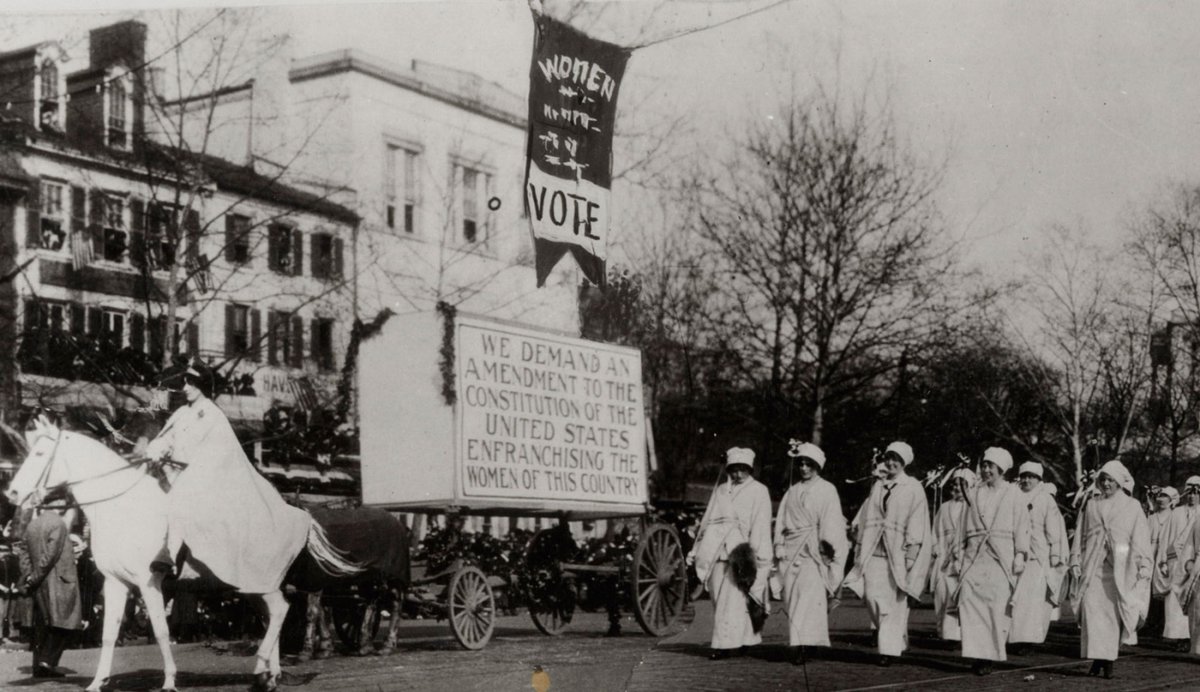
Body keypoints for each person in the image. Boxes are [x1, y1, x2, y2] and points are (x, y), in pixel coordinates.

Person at [145, 361, 309, 592]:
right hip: (173, 476)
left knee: (181, 498)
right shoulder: (181, 413)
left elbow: (219, 455)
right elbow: (166, 438)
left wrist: (191, 474)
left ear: (202, 386)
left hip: (204, 481)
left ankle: (169, 554)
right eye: (185, 383)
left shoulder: (213, 415)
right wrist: (156, 449)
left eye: (192, 384)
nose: (186, 388)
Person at [845, 441, 931, 666]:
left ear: (904, 463)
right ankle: (895, 639)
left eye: (897, 459)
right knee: (872, 598)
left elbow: (917, 520)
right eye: (889, 458)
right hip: (874, 552)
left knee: (894, 602)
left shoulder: (913, 487)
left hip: (897, 553)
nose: (891, 463)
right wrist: (860, 545)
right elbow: (867, 518)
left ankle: (888, 650)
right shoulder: (878, 486)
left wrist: (911, 553)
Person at [1069, 460, 1151, 679]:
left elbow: (1140, 538)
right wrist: (1075, 559)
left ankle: (1108, 661)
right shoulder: (1091, 505)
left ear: (1119, 482)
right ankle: (1097, 659)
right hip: (1093, 567)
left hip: (1120, 568)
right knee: (1092, 611)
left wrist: (1143, 564)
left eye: (1111, 480)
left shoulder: (1132, 506)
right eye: (1103, 479)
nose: (1106, 484)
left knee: (1112, 615)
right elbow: (1080, 534)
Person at [689, 447, 772, 659]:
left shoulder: (759, 490)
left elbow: (760, 524)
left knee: (732, 600)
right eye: (734, 469)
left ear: (750, 469)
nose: (738, 474)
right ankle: (745, 638)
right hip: (717, 549)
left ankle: (723, 645)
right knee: (719, 598)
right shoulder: (721, 491)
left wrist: (755, 553)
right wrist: (698, 548)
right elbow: (708, 520)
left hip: (740, 550)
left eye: (743, 469)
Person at [954, 447, 1030, 675]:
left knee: (995, 608)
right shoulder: (974, 493)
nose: (986, 470)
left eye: (991, 466)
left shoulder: (1014, 494)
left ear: (1001, 469)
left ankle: (988, 656)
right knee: (971, 605)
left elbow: (1022, 526)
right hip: (974, 558)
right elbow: (962, 525)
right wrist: (958, 553)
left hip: (1001, 559)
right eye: (984, 465)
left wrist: (1020, 553)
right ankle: (977, 654)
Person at [773, 441, 847, 665]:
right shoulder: (792, 491)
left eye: (809, 464)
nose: (804, 468)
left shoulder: (827, 489)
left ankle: (802, 646)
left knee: (809, 597)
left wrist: (827, 548)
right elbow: (782, 521)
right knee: (793, 597)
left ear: (817, 466)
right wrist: (779, 544)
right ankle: (809, 640)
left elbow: (831, 521)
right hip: (792, 549)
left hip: (813, 550)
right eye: (801, 464)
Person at [1009, 461, 1068, 655]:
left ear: (1038, 479)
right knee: (1013, 597)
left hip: (1038, 556)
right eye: (1024, 476)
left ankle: (1027, 640)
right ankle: (1012, 636)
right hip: (1014, 554)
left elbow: (1053, 529)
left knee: (1032, 600)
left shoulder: (1045, 500)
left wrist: (1055, 554)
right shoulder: (1012, 495)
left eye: (1031, 477)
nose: (1026, 480)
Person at [19, 503, 84, 678]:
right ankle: (47, 661)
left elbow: (23, 551)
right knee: (66, 622)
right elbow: (51, 554)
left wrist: (29, 574)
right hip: (58, 581)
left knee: (41, 624)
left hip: (39, 583)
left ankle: (39, 667)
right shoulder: (59, 523)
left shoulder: (32, 525)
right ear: (60, 505)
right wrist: (36, 575)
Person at [931, 467, 976, 641]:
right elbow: (935, 532)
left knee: (960, 598)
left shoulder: (972, 507)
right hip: (944, 559)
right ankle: (945, 634)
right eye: (955, 484)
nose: (957, 488)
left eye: (961, 484)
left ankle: (960, 635)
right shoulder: (944, 507)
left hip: (964, 559)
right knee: (942, 595)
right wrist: (935, 547)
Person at [1147, 486, 1184, 646]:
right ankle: (1150, 621)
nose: (1161, 499)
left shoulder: (1175, 516)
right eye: (1159, 496)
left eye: (1165, 496)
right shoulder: (1152, 518)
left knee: (1166, 588)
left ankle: (1162, 623)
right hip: (1151, 552)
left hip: (1166, 553)